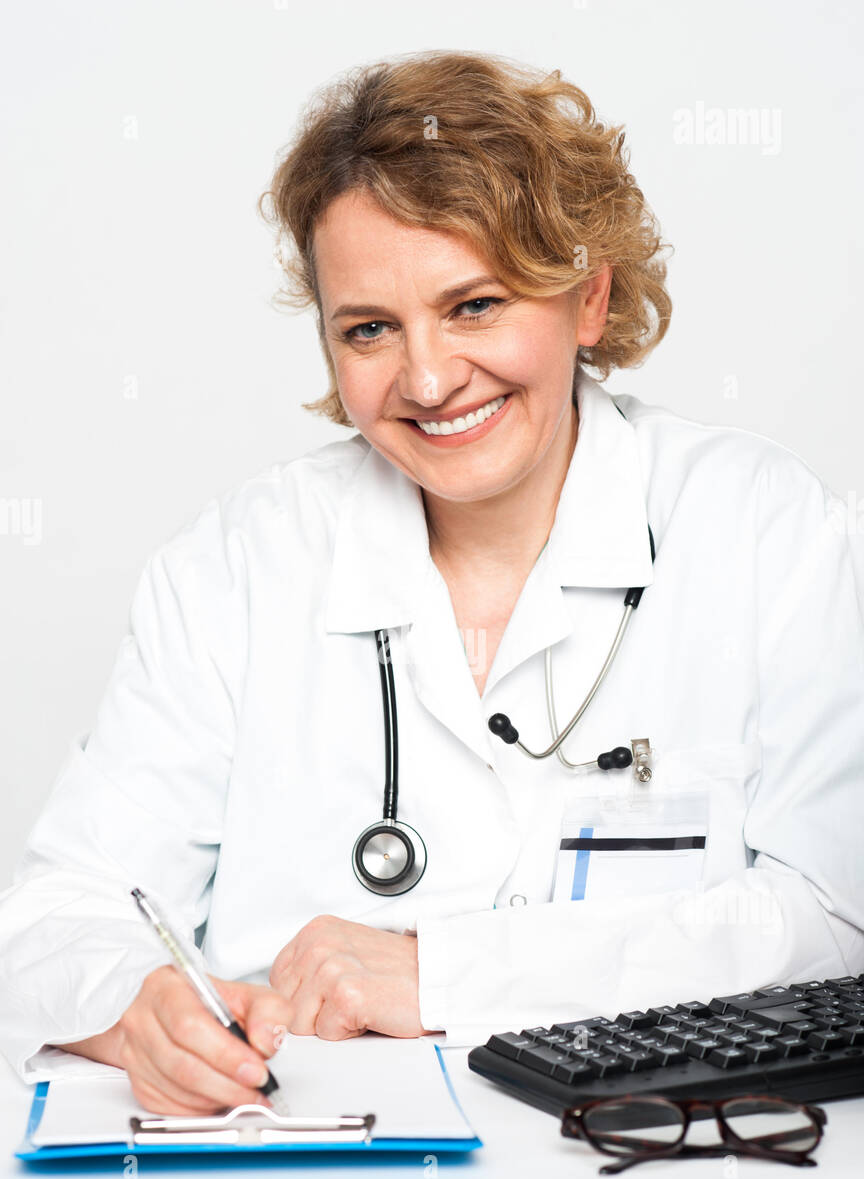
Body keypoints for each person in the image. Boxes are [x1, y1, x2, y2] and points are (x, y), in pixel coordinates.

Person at [1, 52, 862, 1117]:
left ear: (587, 297)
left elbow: (836, 917)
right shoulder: (236, 566)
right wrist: (132, 1007)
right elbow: (57, 914)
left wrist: (447, 971)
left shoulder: (763, 531)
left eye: (475, 305)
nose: (425, 377)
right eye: (369, 327)